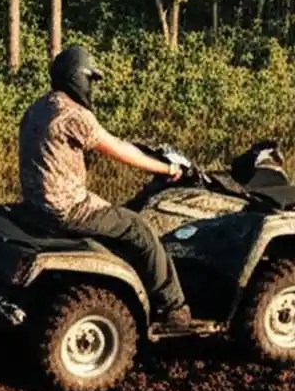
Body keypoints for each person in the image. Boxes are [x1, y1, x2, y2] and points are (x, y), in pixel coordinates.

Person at [18, 45, 193, 329]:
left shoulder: (38, 107)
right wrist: (169, 168)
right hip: (68, 209)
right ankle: (174, 308)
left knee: (116, 216)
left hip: (36, 206)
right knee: (140, 229)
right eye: (90, 80)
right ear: (78, 77)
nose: (91, 87)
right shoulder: (74, 115)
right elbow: (120, 151)